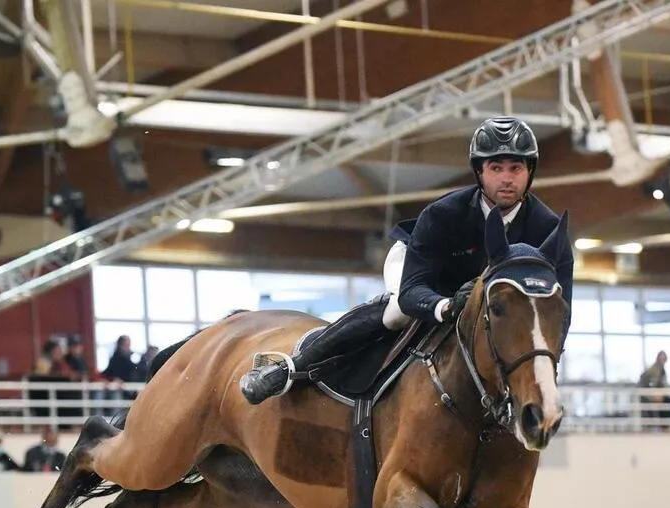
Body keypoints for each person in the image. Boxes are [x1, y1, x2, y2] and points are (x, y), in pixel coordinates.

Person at [238, 115, 574, 405]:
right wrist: (444, 306)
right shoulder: (444, 214)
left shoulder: (548, 229)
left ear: (530, 171)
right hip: (419, 274)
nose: (506, 178)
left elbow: (560, 310)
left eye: (515, 168)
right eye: (495, 168)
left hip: (478, 296)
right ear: (479, 172)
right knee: (397, 312)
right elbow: (414, 290)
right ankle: (292, 368)